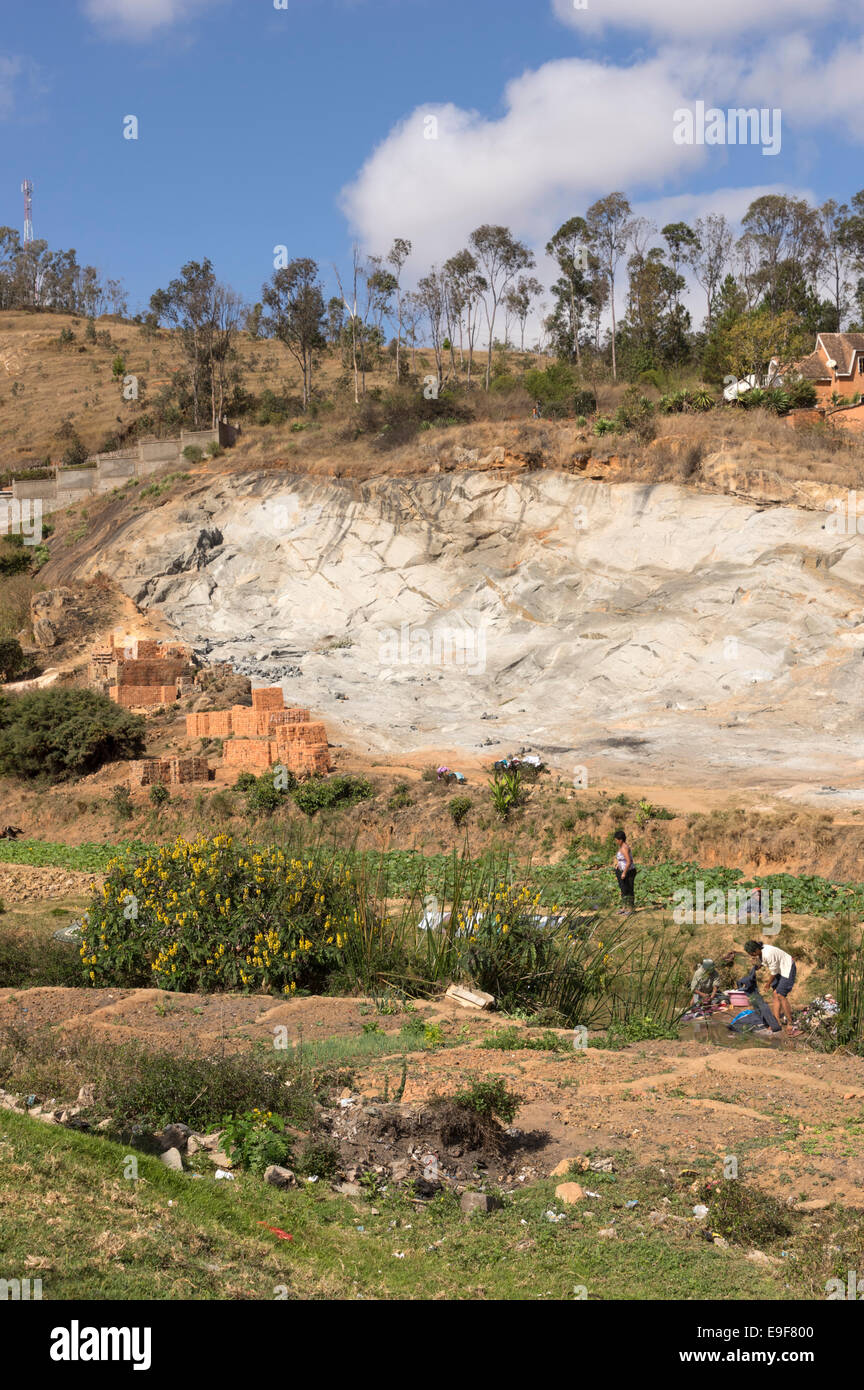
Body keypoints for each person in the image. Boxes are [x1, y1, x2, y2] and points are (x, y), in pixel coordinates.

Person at [744, 939, 799, 1034]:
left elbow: (774, 972)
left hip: (787, 967)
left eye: (752, 953)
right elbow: (763, 961)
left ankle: (790, 1023)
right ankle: (776, 1022)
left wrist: (768, 984)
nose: (752, 955)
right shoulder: (761, 951)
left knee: (781, 995)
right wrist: (758, 966)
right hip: (779, 968)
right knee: (775, 994)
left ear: (757, 949)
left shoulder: (768, 954)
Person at [613, 828, 636, 914]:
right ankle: (624, 908)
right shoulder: (621, 847)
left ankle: (630, 909)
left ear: (621, 840)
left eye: (616, 840)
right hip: (621, 870)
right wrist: (618, 864)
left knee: (629, 890)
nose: (616, 841)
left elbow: (629, 861)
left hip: (628, 872)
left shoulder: (625, 848)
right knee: (623, 890)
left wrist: (624, 873)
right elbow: (622, 860)